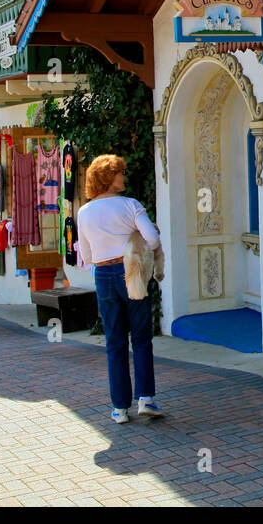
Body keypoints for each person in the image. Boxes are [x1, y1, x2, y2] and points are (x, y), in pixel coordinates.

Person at [75, 154, 162, 425]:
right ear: (109, 177)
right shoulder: (130, 205)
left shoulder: (84, 211)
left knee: (114, 341)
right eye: (120, 172)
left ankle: (119, 408)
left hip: (103, 273)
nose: (124, 176)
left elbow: (86, 256)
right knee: (141, 337)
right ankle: (145, 398)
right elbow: (153, 238)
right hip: (131, 271)